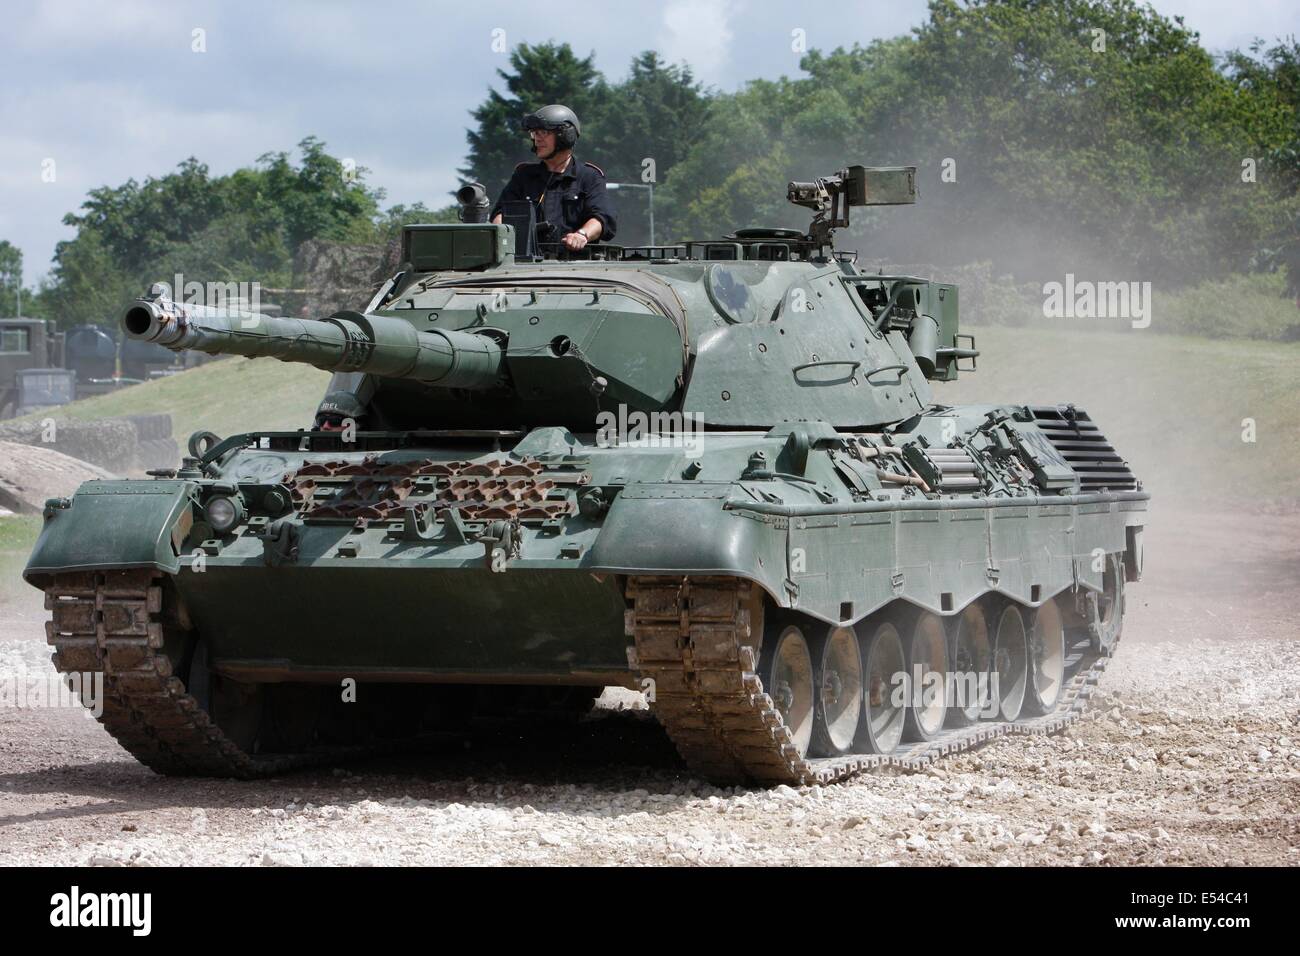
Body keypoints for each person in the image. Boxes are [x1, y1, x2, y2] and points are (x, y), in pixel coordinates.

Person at [490, 104, 617, 251]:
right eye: (534, 133)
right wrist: (504, 235)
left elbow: (603, 217)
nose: (537, 139)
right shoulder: (523, 176)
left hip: (574, 265)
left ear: (566, 135)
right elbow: (500, 215)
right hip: (526, 266)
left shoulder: (589, 177)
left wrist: (582, 235)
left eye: (543, 132)